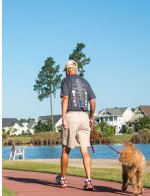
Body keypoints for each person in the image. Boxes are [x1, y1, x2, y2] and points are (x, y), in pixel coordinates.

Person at [57, 60, 96, 190]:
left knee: (65, 150)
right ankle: (88, 181)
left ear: (68, 70)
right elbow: (93, 101)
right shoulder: (85, 82)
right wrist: (91, 117)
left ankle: (62, 179)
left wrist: (63, 117)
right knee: (84, 150)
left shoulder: (66, 81)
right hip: (84, 117)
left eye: (66, 71)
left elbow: (65, 99)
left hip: (71, 116)